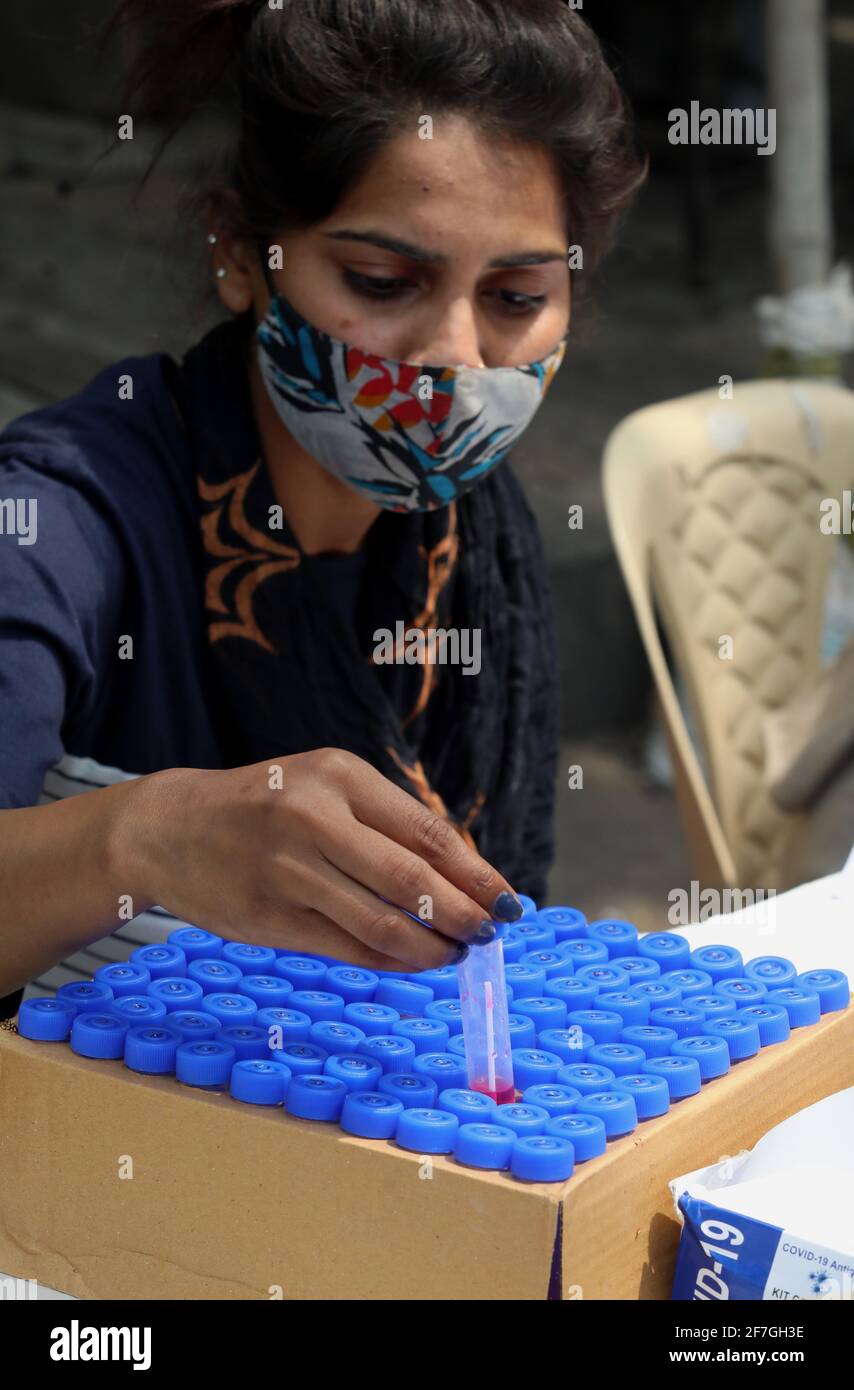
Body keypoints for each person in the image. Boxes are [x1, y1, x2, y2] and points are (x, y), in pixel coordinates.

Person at [0, 0, 643, 1013]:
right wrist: (144, 836)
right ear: (236, 254)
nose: (452, 359)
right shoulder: (63, 527)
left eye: (514, 299)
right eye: (382, 280)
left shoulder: (480, 543)